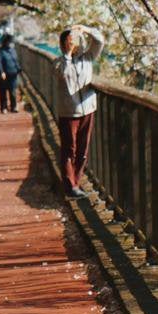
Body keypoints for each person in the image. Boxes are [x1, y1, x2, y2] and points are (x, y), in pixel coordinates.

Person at [56, 26, 100, 193]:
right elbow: (64, 74)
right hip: (69, 111)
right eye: (68, 41)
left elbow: (99, 41)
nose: (73, 43)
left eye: (74, 40)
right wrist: (67, 54)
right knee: (69, 148)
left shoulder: (88, 58)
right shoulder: (59, 62)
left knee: (82, 149)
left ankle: (76, 181)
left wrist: (86, 29)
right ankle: (70, 184)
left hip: (88, 109)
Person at [0, 36, 22, 113]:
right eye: (9, 42)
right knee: (3, 92)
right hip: (4, 74)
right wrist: (1, 72)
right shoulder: (0, 51)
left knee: (12, 91)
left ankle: (14, 107)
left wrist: (18, 69)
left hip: (13, 73)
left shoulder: (13, 50)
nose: (10, 44)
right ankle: (4, 107)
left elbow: (15, 61)